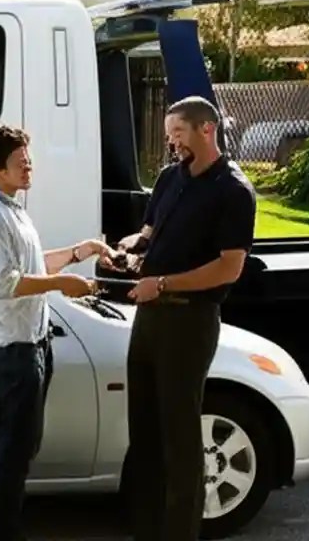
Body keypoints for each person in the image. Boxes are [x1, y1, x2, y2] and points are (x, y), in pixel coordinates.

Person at [111, 95, 257, 541]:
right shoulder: (169, 178)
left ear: (206, 130)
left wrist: (165, 283)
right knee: (145, 433)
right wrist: (129, 248)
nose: (173, 144)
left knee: (179, 437)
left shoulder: (233, 191)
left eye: (179, 134)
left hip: (190, 321)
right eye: (170, 135)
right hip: (150, 317)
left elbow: (229, 266)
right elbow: (150, 233)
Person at [0, 124, 112, 541]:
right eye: (20, 161)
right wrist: (62, 285)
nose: (29, 166)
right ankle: (2, 531)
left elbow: (32, 264)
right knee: (14, 447)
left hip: (34, 340)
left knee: (25, 443)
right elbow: (2, 284)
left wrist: (78, 252)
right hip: (13, 347)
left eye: (29, 159)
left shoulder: (12, 208)